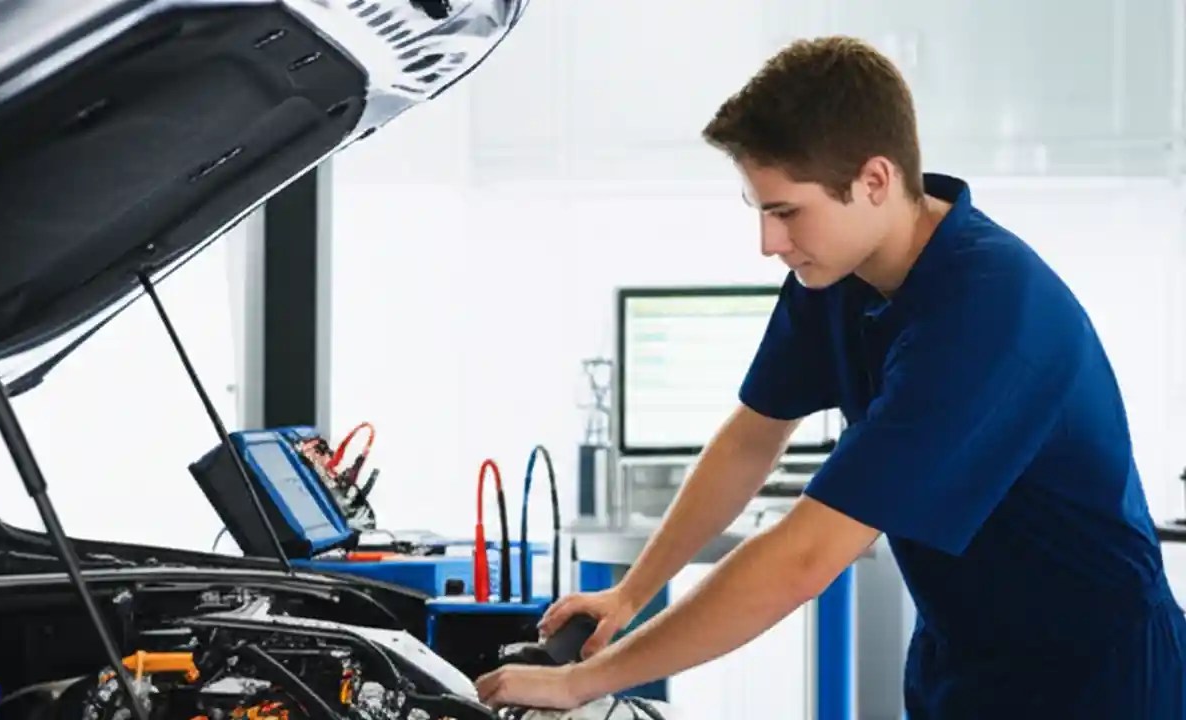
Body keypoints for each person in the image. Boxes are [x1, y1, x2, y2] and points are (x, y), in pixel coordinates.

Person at [475, 35, 1186, 718]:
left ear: (875, 180)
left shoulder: (986, 313)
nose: (768, 243)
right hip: (965, 660)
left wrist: (582, 683)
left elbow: (806, 559)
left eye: (786, 212)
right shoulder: (839, 277)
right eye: (759, 211)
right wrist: (632, 593)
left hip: (1097, 679)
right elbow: (753, 436)